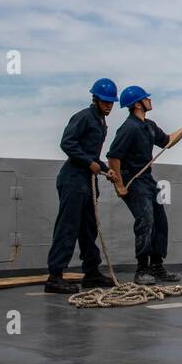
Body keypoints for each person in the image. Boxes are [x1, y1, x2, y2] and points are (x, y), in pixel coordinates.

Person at [107, 86, 182, 285]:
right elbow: (113, 157)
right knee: (145, 221)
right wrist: (120, 186)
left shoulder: (148, 125)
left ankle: (157, 266)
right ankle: (142, 269)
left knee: (159, 222)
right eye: (146, 98)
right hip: (134, 180)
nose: (150, 100)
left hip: (148, 180)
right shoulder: (128, 128)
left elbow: (167, 141)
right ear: (138, 104)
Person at [45, 78, 121, 294]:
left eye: (111, 102)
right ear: (95, 99)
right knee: (68, 227)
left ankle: (91, 273)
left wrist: (105, 168)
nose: (108, 105)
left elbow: (92, 155)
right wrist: (90, 163)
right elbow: (67, 143)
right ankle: (55, 276)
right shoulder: (84, 117)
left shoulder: (100, 121)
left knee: (88, 229)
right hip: (73, 180)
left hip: (87, 182)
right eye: (105, 101)